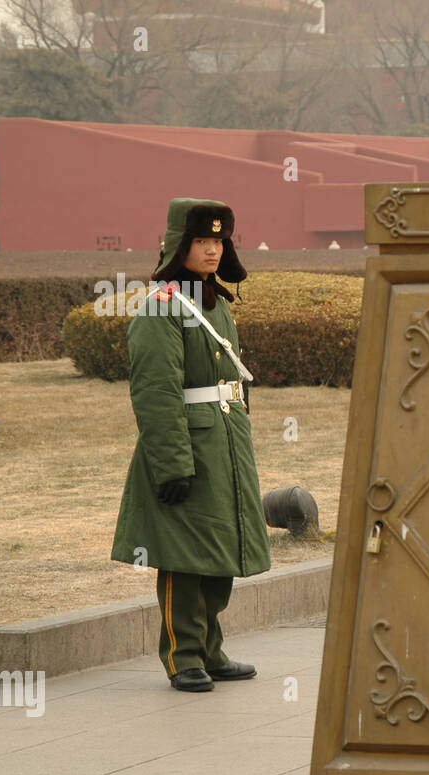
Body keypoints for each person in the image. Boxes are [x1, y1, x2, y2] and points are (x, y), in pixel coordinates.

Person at [111, 197, 270, 690]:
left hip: (226, 444)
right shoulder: (161, 307)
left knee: (220, 548)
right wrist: (172, 464)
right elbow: (157, 392)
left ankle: (211, 649)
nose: (213, 250)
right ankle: (183, 657)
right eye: (202, 241)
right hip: (189, 447)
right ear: (180, 246)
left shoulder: (217, 303)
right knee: (185, 553)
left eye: (219, 241)